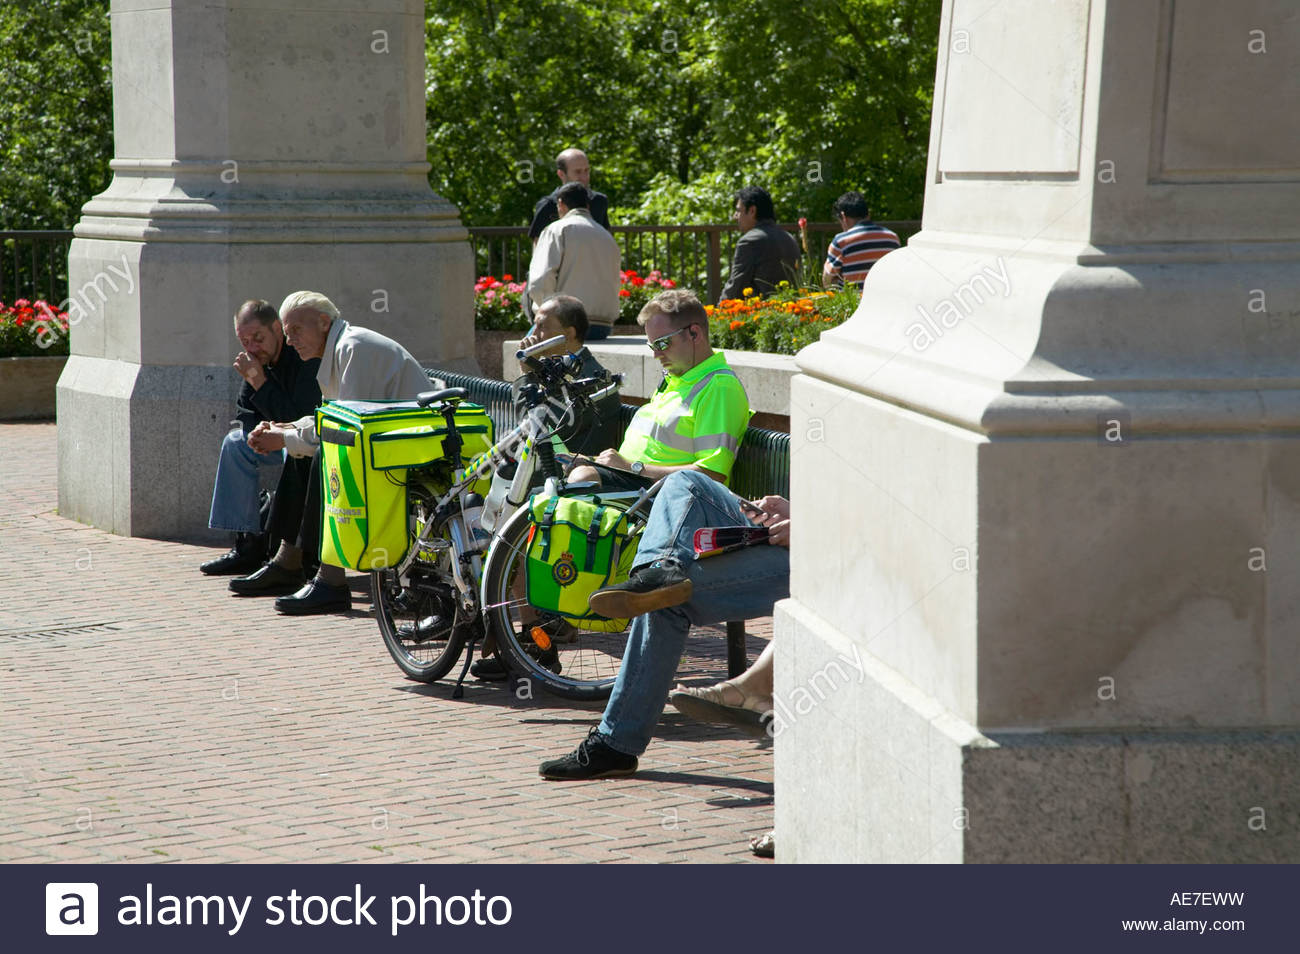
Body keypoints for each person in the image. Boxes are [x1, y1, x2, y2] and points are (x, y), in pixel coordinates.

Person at [538, 469, 790, 780]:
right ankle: (661, 567)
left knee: (664, 599)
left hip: (823, 556)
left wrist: (811, 528)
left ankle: (616, 744)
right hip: (792, 532)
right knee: (684, 482)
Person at [229, 291, 432, 615]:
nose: (291, 340)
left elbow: (344, 431)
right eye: (287, 330)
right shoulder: (340, 348)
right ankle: (290, 561)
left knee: (322, 456)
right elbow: (335, 419)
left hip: (411, 450)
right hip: (391, 444)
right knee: (307, 453)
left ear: (324, 322)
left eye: (296, 330)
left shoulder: (353, 348)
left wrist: (287, 438)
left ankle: (326, 578)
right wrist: (287, 430)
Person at [566, 288, 751, 492]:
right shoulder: (676, 378)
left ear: (694, 333)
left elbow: (712, 475)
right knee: (562, 477)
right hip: (638, 493)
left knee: (582, 479)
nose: (656, 355)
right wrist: (596, 461)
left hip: (664, 500)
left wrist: (631, 468)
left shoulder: (719, 387)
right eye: (652, 346)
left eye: (663, 343)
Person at [200, 300, 321, 575]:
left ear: (277, 329)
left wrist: (260, 382)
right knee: (234, 443)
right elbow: (245, 412)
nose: (252, 347)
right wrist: (257, 432)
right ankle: (247, 546)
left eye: (258, 338)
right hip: (270, 441)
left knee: (294, 450)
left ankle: (294, 551)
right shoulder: (255, 361)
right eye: (245, 341)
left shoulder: (300, 355)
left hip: (303, 440)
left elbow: (301, 416)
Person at [514, 294, 622, 455]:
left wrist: (527, 374)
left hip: (568, 472)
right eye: (534, 326)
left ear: (569, 333)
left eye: (542, 326)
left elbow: (534, 428)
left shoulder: (590, 378)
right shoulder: (556, 368)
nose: (533, 335)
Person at [527, 182, 621, 341]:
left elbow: (540, 281)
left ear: (560, 204)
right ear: (588, 206)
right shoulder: (607, 236)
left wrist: (544, 316)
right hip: (603, 326)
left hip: (565, 324)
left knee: (523, 353)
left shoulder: (556, 230)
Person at [719, 186, 800, 302]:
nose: (735, 217)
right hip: (792, 311)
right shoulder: (788, 237)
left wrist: (716, 313)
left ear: (752, 211)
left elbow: (735, 287)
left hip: (762, 314)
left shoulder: (749, 241)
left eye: (738, 211)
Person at [527, 148, 612, 243]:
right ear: (561, 174)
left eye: (587, 170)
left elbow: (607, 240)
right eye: (578, 172)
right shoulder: (547, 205)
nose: (584, 177)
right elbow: (538, 247)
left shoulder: (599, 201)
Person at [821, 191, 900, 289]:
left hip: (853, 303)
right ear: (868, 214)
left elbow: (827, 281)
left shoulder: (841, 242)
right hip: (885, 300)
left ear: (843, 216)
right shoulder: (892, 238)